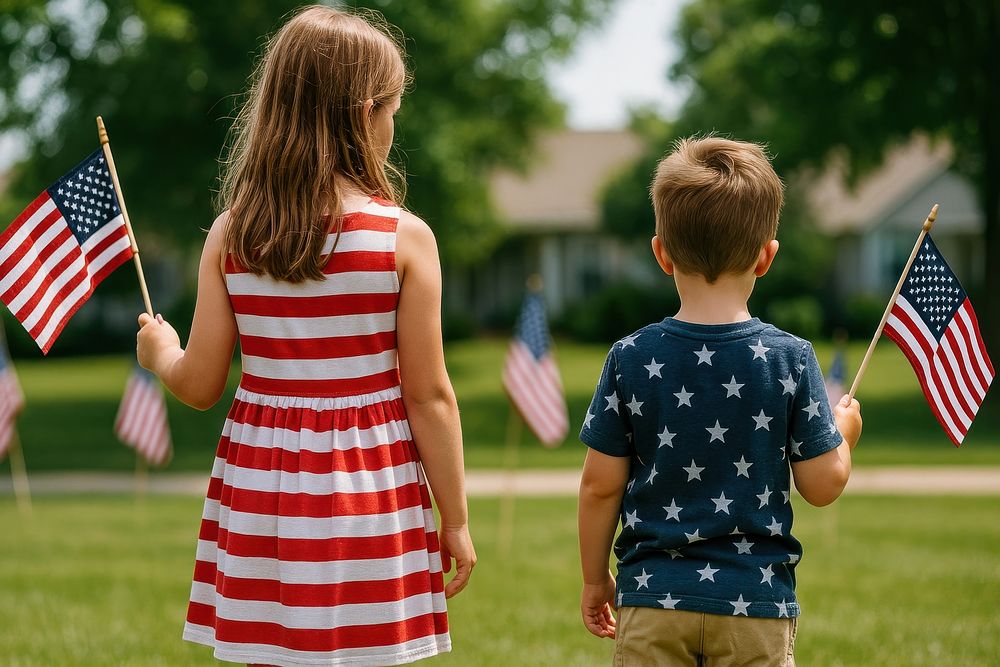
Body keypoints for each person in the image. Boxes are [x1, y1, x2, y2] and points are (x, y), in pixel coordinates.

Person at [136, 6, 475, 665]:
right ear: (366, 111)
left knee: (274, 649)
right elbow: (429, 394)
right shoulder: (403, 237)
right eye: (394, 109)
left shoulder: (232, 235)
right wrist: (454, 519)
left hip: (265, 492)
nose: (393, 125)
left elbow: (201, 383)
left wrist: (160, 353)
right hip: (370, 488)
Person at [577, 136, 862, 666]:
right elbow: (822, 486)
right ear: (766, 256)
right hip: (755, 604)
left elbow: (598, 487)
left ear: (661, 252)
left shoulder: (630, 356)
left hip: (652, 597)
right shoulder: (790, 358)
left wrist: (596, 579)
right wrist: (843, 435)